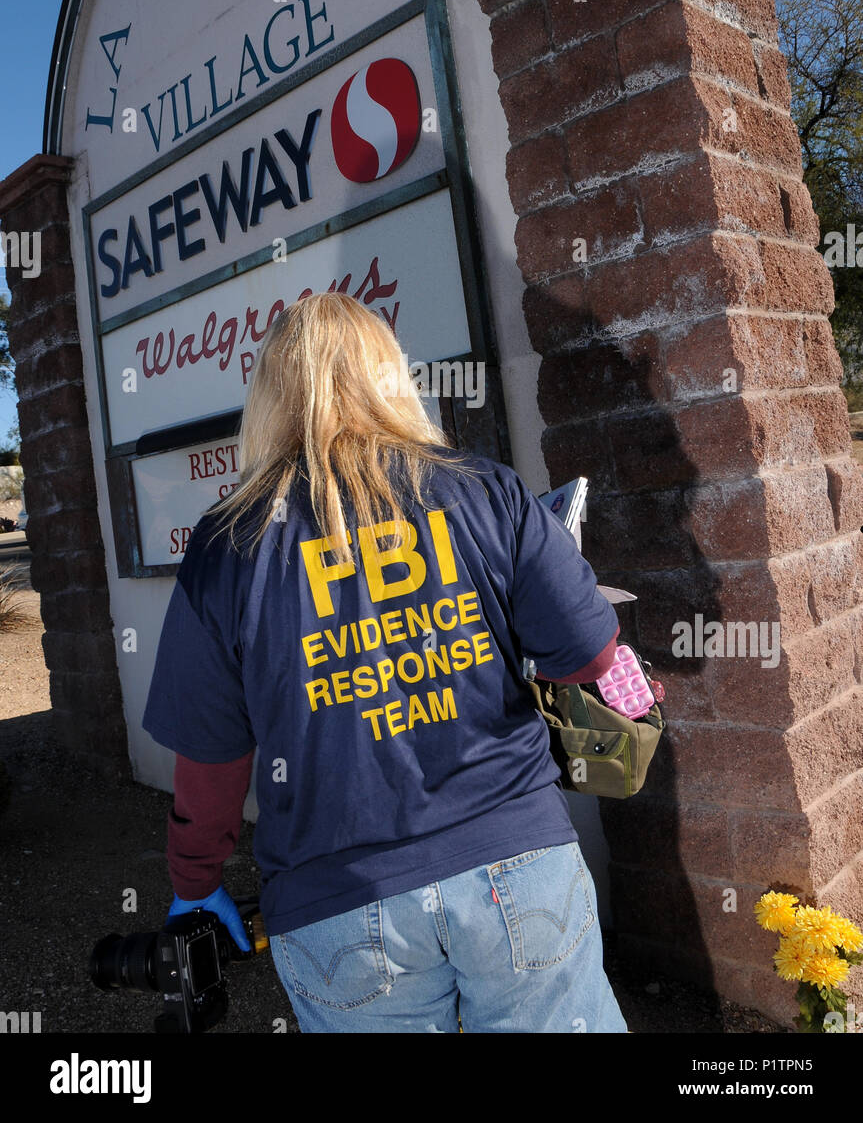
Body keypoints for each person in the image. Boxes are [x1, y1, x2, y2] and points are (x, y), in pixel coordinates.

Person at [142, 291, 628, 1033]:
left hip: (339, 905)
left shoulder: (227, 544)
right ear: (391, 375)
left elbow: (210, 755)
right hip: (515, 866)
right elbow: (591, 656)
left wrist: (194, 882)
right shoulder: (484, 490)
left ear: (271, 396)